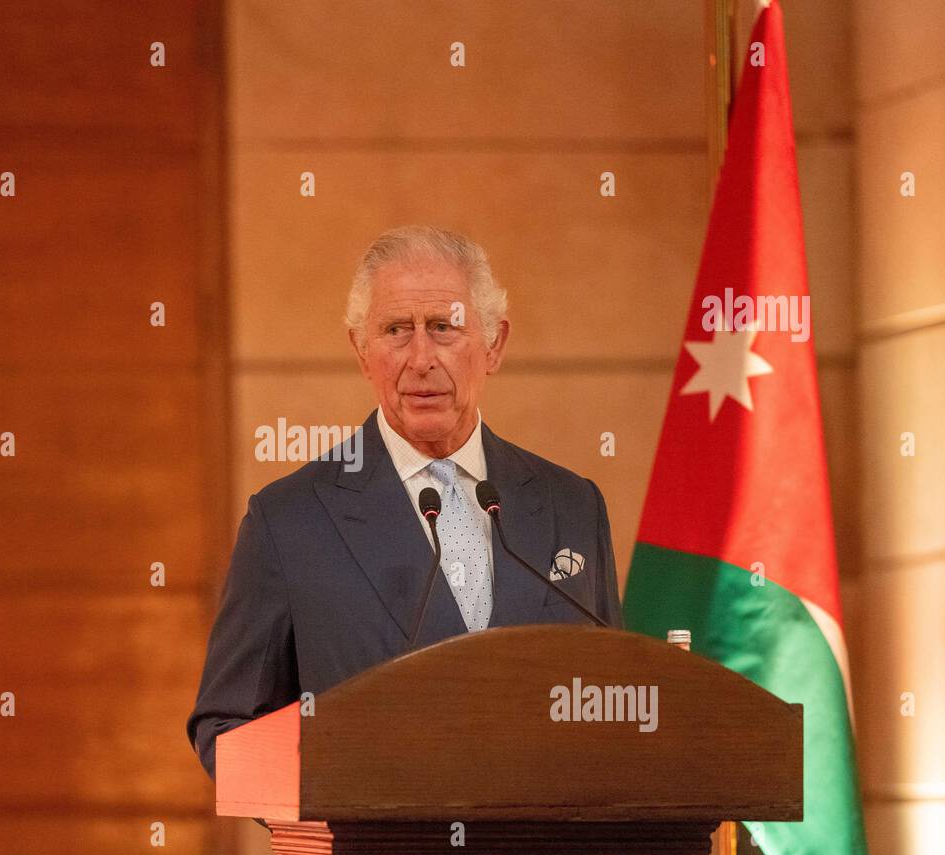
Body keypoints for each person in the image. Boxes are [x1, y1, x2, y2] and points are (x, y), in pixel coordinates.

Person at [186, 225, 622, 779]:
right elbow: (228, 729)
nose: (421, 358)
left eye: (444, 327)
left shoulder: (572, 505)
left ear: (494, 345)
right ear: (361, 351)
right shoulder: (290, 522)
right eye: (396, 330)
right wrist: (338, 811)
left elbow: (610, 705)